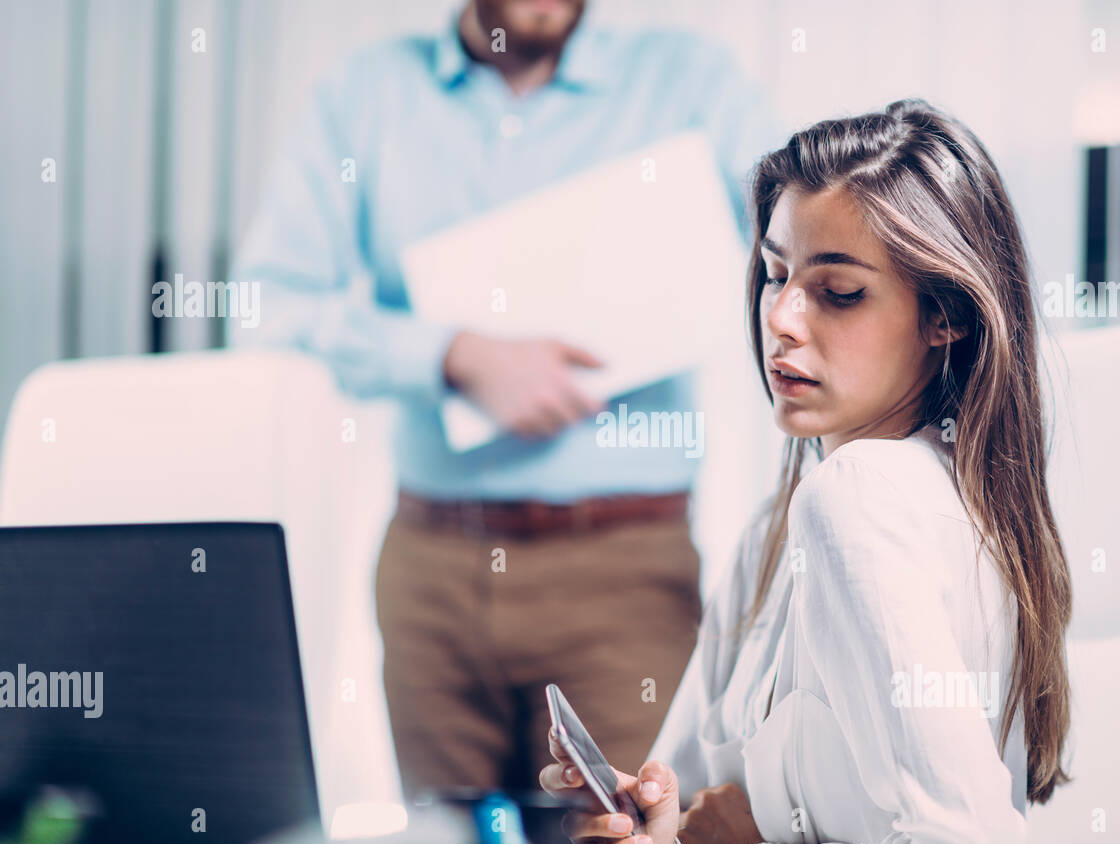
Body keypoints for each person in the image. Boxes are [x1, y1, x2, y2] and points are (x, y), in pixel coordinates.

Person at [231, 0, 785, 798]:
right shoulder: (364, 94)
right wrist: (450, 355)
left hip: (626, 572)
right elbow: (264, 307)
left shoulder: (690, 81)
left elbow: (803, 243)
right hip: (432, 572)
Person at [541, 99, 1075, 844]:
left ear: (947, 315)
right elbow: (683, 806)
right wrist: (652, 840)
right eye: (774, 273)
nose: (783, 318)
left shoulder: (856, 499)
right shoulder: (776, 531)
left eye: (839, 292)